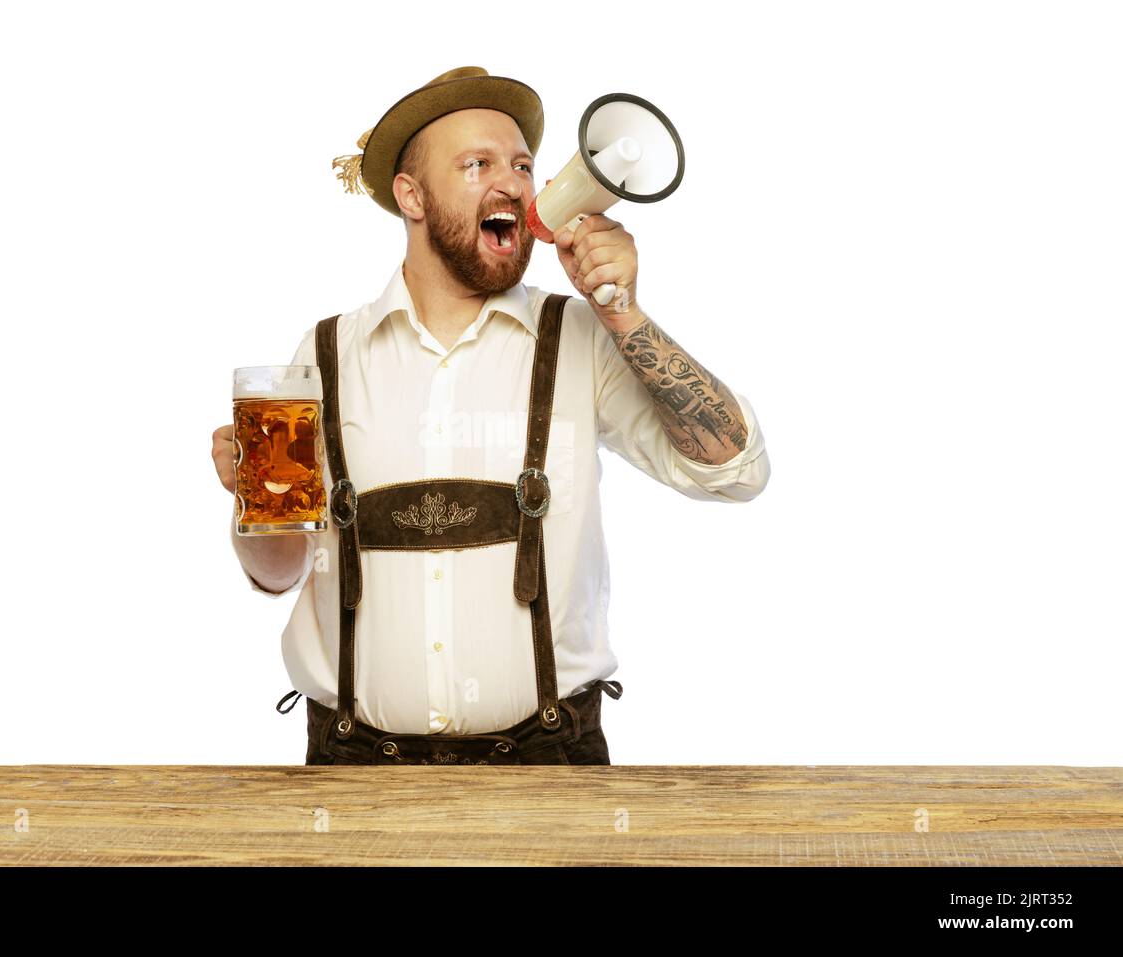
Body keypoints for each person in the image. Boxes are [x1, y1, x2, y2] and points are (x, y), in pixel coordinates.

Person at [210, 66, 770, 765]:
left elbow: (735, 471)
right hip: (355, 778)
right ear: (410, 196)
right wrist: (248, 498)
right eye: (476, 164)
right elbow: (278, 573)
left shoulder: (580, 335)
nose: (510, 183)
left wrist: (620, 307)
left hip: (550, 769)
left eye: (522, 165)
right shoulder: (323, 355)